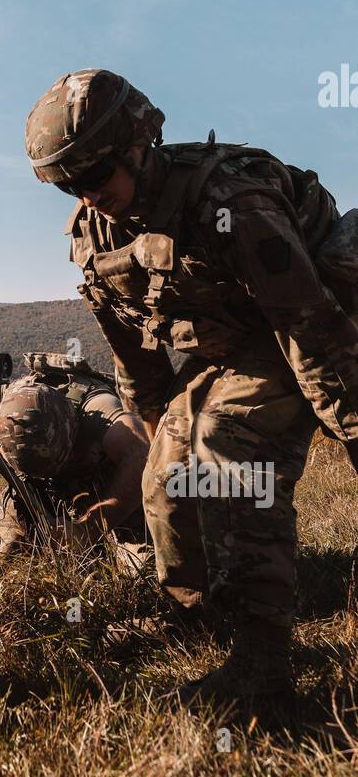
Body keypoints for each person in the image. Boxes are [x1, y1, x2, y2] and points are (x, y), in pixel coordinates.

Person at [24, 67, 358, 716]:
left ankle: (263, 671)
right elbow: (138, 362)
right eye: (68, 183)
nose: (87, 196)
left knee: (228, 449)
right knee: (169, 472)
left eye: (95, 176)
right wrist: (156, 435)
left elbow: (311, 330)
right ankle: (193, 616)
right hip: (233, 346)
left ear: (138, 144)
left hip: (310, 324)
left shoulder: (229, 198)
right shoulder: (94, 239)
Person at [0, 351, 150, 567]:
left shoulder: (99, 411)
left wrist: (91, 527)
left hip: (102, 488)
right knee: (2, 560)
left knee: (144, 568)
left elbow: (142, 454)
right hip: (31, 492)